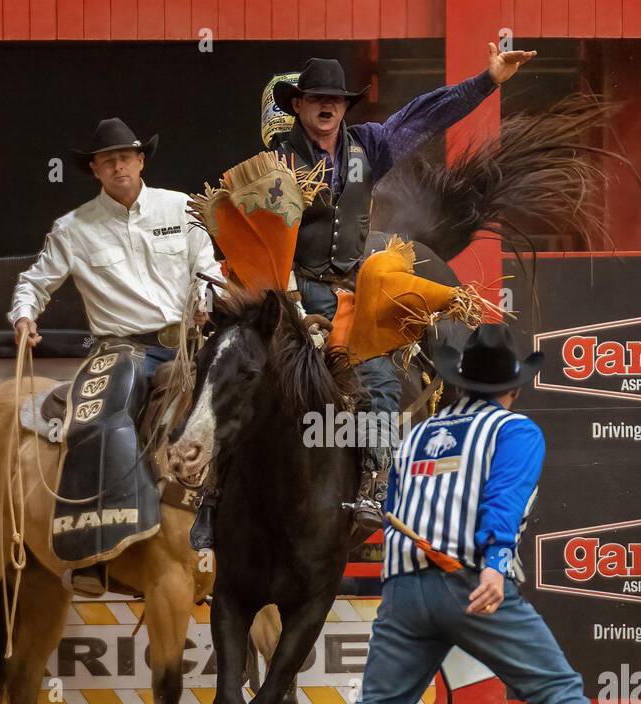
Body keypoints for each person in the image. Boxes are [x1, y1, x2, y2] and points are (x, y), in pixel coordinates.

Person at [297, 323, 641, 704]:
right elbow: (505, 501)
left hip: (403, 589)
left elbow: (396, 506)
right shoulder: (515, 431)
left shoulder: (417, 435)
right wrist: (496, 564)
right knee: (560, 694)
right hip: (469, 582)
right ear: (512, 388)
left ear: (458, 382)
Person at [188, 45, 537, 548]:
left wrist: (488, 79)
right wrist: (286, 299)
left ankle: (375, 481)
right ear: (299, 105)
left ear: (345, 105)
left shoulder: (367, 146)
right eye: (316, 98)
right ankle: (213, 499)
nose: (326, 106)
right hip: (290, 290)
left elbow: (426, 115)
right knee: (238, 373)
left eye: (335, 98)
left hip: (351, 290)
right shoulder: (276, 162)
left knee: (377, 376)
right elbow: (251, 231)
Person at [7, 117, 215, 704]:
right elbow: (33, 281)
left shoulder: (181, 208)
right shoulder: (73, 228)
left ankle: (230, 528)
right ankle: (107, 545)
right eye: (107, 161)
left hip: (183, 341)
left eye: (126, 157)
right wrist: (24, 313)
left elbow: (209, 266)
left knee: (241, 405)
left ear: (139, 160)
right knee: (103, 427)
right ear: (94, 170)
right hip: (119, 350)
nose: (119, 168)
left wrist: (212, 299)